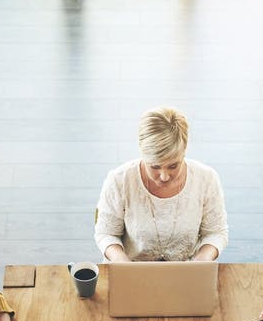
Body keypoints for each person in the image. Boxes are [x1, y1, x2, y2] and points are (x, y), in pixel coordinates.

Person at [94, 106, 228, 262]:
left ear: (184, 151)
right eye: (155, 166)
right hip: (133, 270)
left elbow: (216, 232)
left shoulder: (207, 179)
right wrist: (122, 262)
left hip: (187, 272)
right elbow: (106, 233)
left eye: (173, 166)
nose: (164, 176)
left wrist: (202, 259)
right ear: (142, 153)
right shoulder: (119, 180)